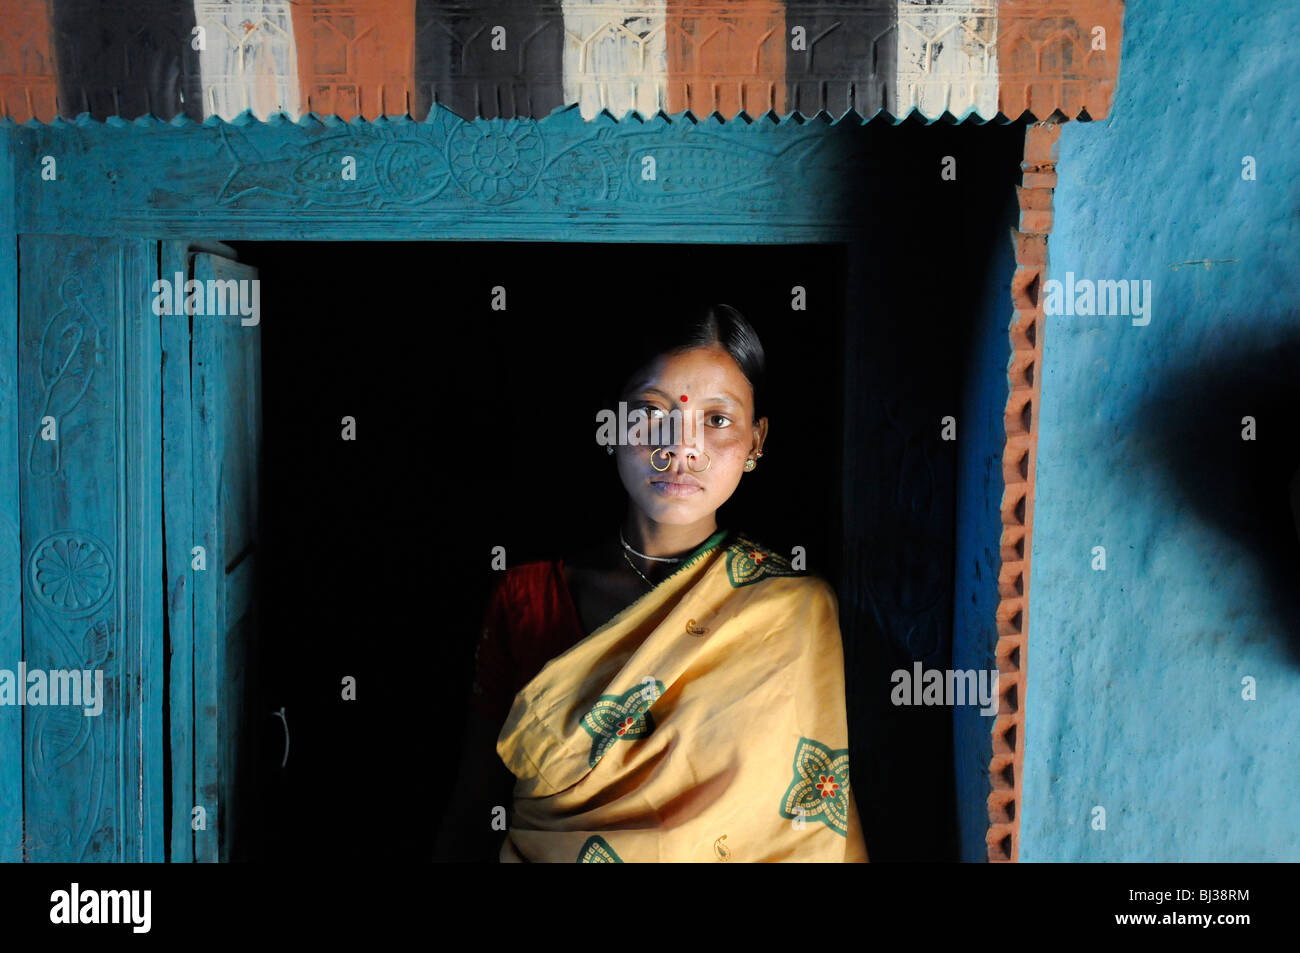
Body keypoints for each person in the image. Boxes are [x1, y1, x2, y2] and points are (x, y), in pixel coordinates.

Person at [437, 303, 867, 862]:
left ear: (757, 441)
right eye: (651, 412)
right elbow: (474, 805)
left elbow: (811, 827)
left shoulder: (792, 611)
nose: (682, 449)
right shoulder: (527, 598)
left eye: (717, 420)